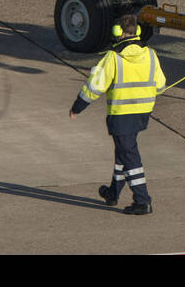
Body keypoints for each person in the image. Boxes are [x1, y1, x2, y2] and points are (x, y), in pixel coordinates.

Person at [68, 12, 166, 215]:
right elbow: (161, 85)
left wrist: (78, 106)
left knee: (129, 155)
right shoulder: (150, 54)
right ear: (137, 31)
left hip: (121, 113)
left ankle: (142, 200)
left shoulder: (113, 57)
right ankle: (113, 193)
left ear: (118, 32)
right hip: (142, 113)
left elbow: (94, 86)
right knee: (123, 150)